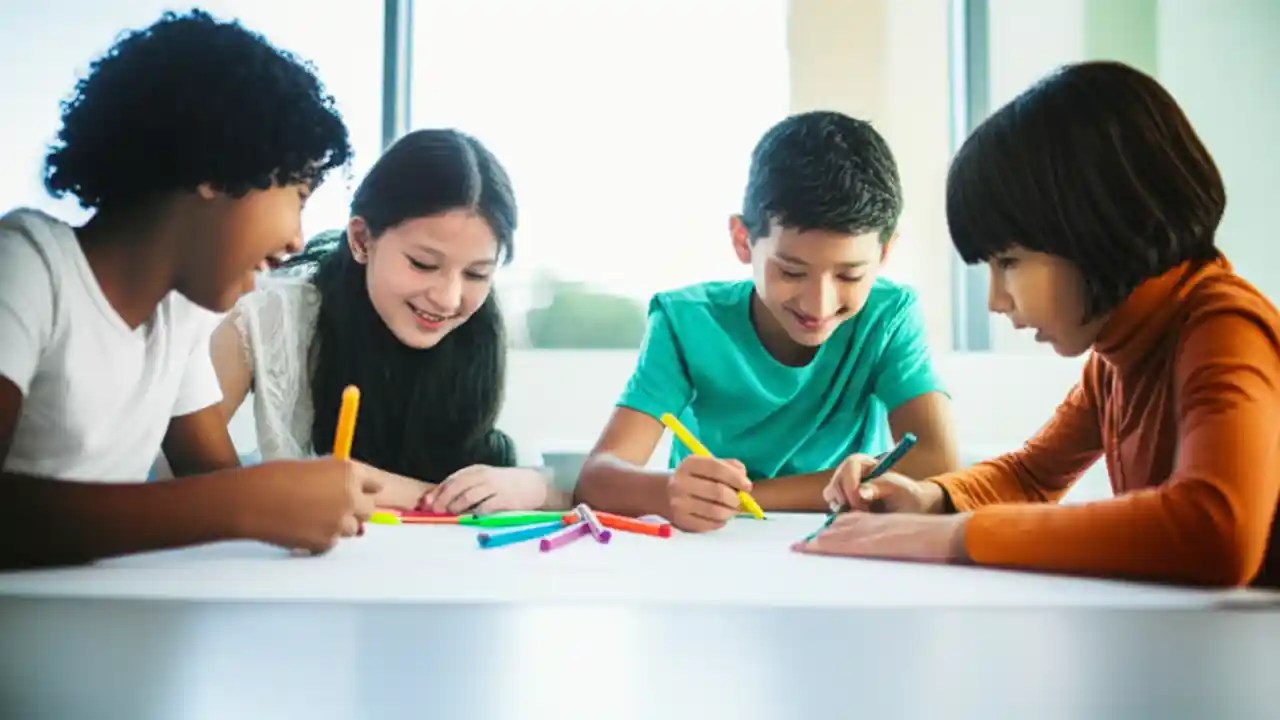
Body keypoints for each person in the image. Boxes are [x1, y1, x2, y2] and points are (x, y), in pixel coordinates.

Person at [803, 61, 1280, 588]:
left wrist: (953, 537)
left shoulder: (1223, 327)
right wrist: (928, 498)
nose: (995, 301)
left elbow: (1216, 531)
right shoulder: (1116, 355)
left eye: (1008, 262)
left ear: (1097, 227)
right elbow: (1031, 475)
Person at [0, 10, 380, 569]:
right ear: (216, 168)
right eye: (298, 197)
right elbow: (223, 500)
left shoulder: (177, 316)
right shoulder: (26, 266)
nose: (298, 239)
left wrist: (294, 502)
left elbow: (213, 479)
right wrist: (246, 501)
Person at [575, 111, 959, 532]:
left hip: (840, 547)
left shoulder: (889, 314)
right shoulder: (685, 321)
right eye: (791, 271)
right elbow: (596, 480)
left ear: (884, 253)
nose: (819, 304)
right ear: (743, 240)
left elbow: (937, 462)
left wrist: (749, 498)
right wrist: (667, 491)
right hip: (712, 547)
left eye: (849, 276)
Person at [212, 128, 569, 514]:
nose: (448, 298)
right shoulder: (270, 311)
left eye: (477, 274)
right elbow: (188, 476)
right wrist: (434, 497)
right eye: (423, 264)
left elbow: (564, 499)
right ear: (362, 240)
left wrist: (533, 488)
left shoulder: (485, 332)